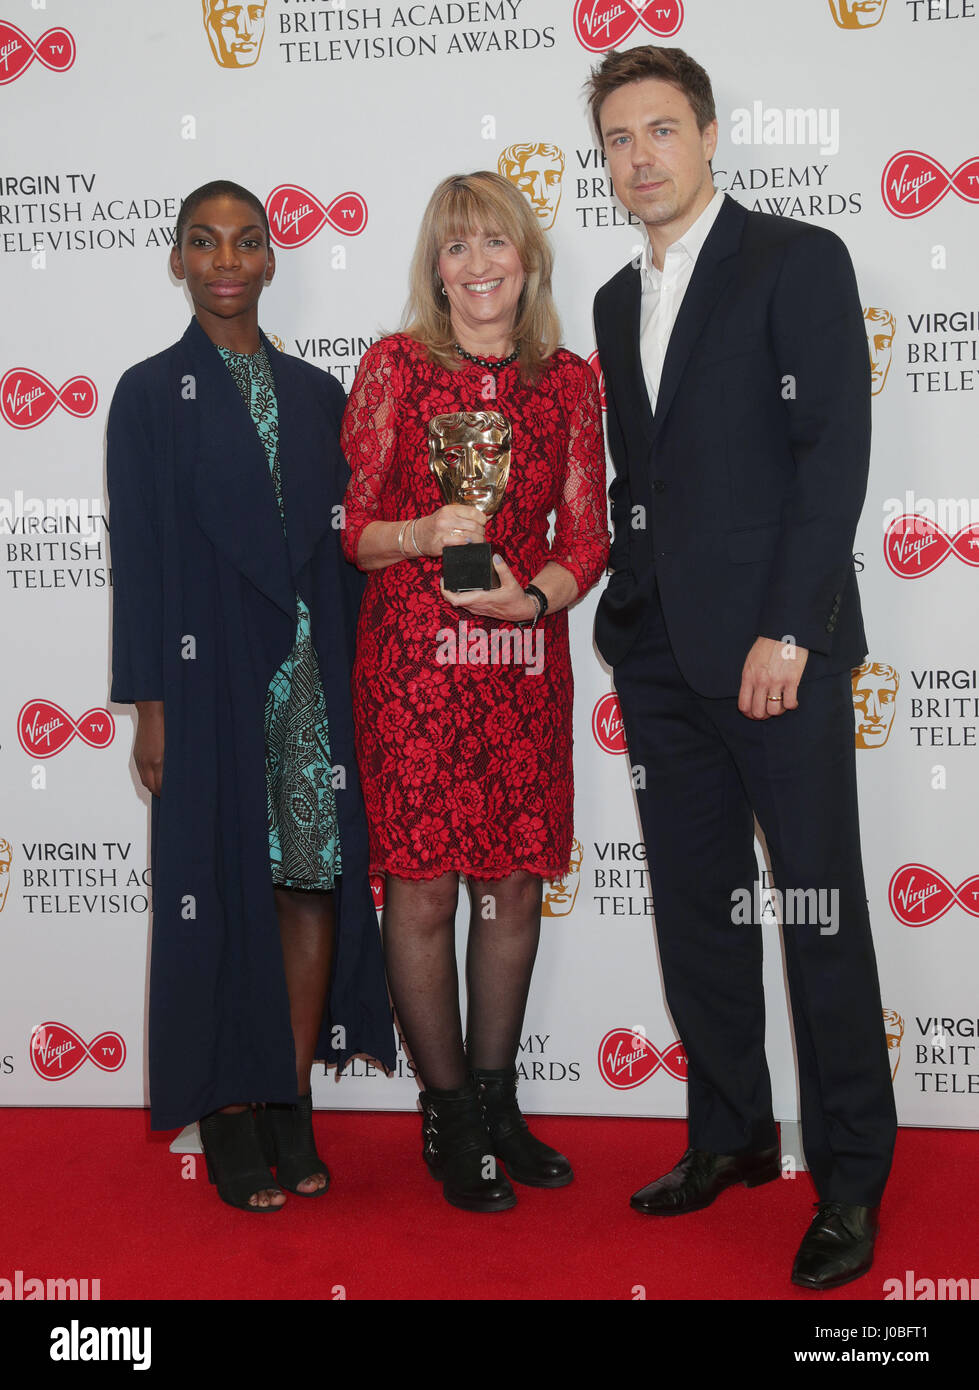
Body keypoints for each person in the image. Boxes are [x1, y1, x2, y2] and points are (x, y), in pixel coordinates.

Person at [587, 47, 896, 1288]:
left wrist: (793, 630)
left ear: (710, 135)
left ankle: (852, 1183)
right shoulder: (616, 301)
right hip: (661, 656)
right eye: (618, 137)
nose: (642, 155)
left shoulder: (794, 260)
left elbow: (832, 458)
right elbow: (642, 476)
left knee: (816, 918)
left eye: (662, 128)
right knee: (697, 915)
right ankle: (729, 1136)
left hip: (780, 654)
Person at [107, 180, 395, 1212]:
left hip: (314, 672)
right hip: (205, 671)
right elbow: (138, 560)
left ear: (272, 262)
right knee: (214, 888)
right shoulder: (148, 394)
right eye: (203, 241)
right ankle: (226, 1109)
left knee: (309, 884)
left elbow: (348, 549)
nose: (226, 258)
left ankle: (287, 1093)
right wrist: (150, 705)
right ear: (177, 260)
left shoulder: (321, 394)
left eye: (246, 241)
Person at [340, 171, 608, 1212]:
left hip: (519, 665)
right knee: (421, 887)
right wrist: (421, 535)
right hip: (411, 669)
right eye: (456, 248)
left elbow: (586, 535)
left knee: (511, 886)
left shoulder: (569, 380)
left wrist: (533, 602)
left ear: (527, 260)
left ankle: (499, 1104)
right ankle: (446, 1113)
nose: (478, 264)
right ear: (434, 269)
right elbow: (354, 532)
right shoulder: (393, 368)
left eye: (495, 243)